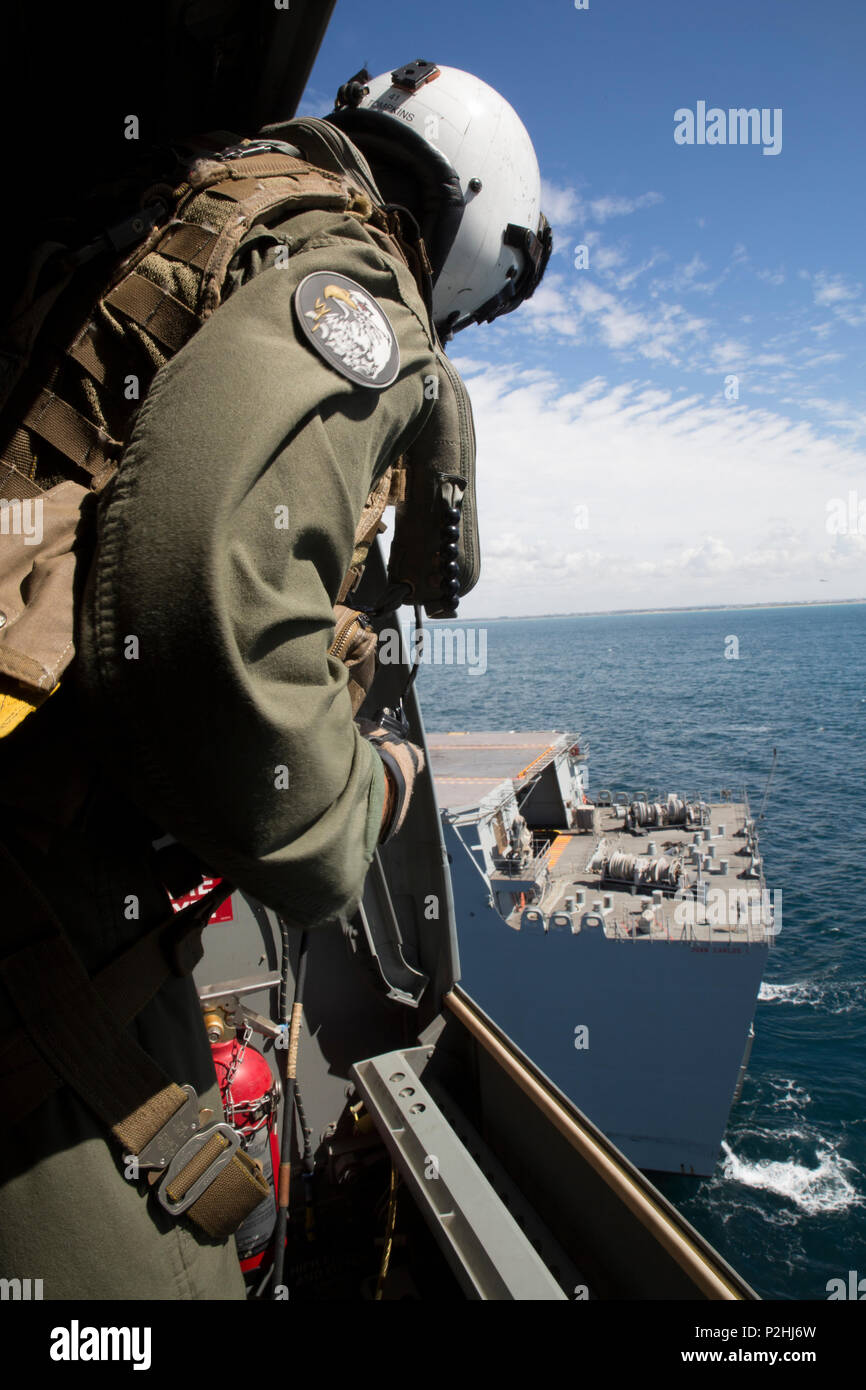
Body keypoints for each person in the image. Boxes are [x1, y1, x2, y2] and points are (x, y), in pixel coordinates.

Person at [0, 60, 550, 1299]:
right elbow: (208, 611)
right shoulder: (345, 274)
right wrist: (363, 803)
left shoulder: (180, 211)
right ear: (474, 232)